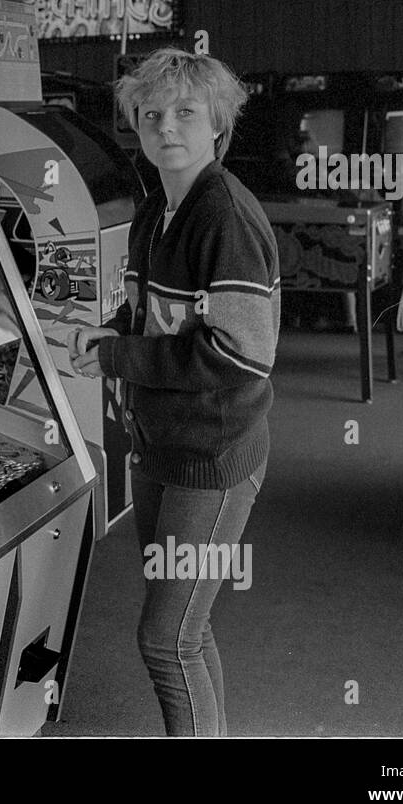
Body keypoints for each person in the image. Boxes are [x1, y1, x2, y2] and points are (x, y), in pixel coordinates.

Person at [70, 48, 280, 736]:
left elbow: (240, 355)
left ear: (217, 122)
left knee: (167, 638)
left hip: (214, 456)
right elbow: (149, 315)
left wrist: (117, 356)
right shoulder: (156, 206)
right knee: (188, 627)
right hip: (161, 446)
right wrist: (101, 333)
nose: (166, 126)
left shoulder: (225, 216)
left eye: (185, 111)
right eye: (151, 112)